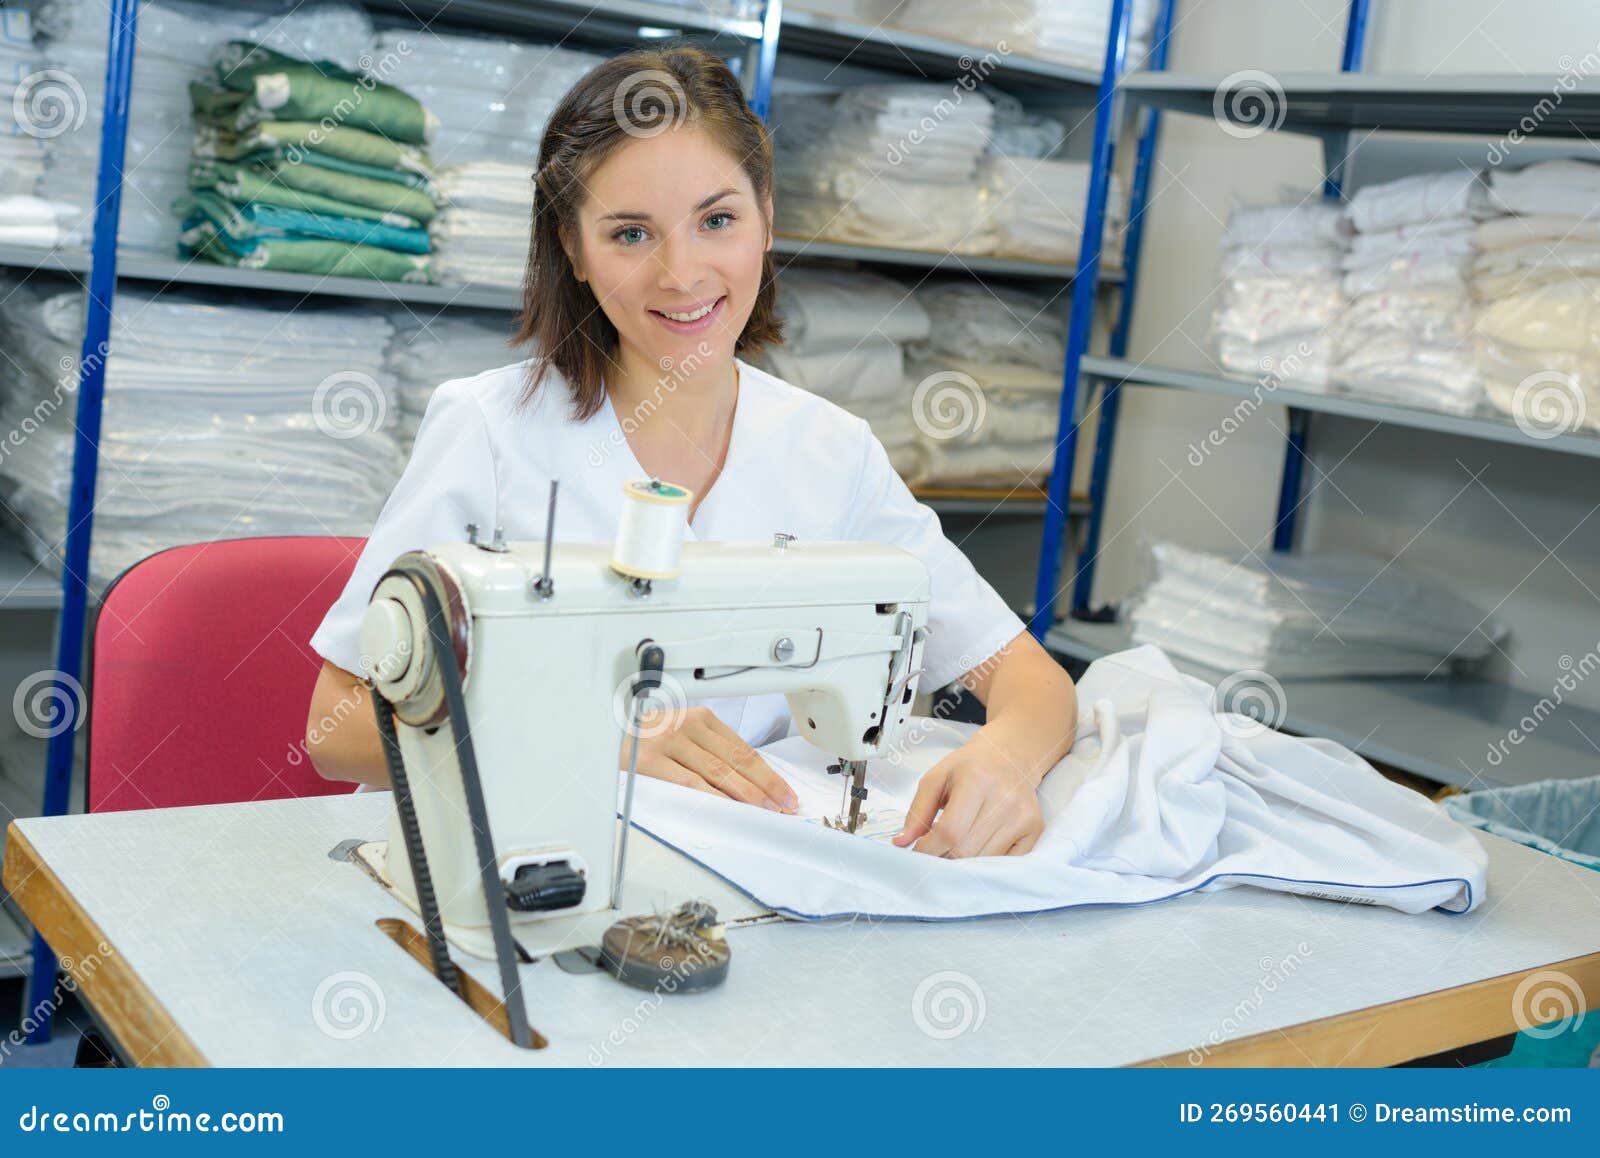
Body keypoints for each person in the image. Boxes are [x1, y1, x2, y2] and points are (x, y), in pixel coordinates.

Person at [305, 44, 1078, 858]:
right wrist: (587, 743)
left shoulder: (830, 451)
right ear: (571, 249)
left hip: (735, 872)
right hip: (505, 867)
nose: (683, 273)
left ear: (767, 216)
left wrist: (1005, 759)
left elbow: (1030, 680)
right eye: (631, 233)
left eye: (718, 220)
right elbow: (336, 723)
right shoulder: (490, 431)